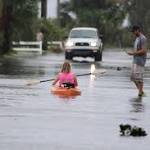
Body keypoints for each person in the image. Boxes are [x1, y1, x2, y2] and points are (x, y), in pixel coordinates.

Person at [127, 25, 147, 97]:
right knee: (133, 77)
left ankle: (140, 93)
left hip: (140, 61)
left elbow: (144, 50)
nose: (133, 33)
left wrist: (133, 53)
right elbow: (137, 49)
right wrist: (132, 52)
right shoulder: (137, 38)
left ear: (138, 30)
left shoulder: (143, 38)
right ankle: (141, 91)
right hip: (135, 60)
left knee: (139, 78)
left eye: (134, 31)